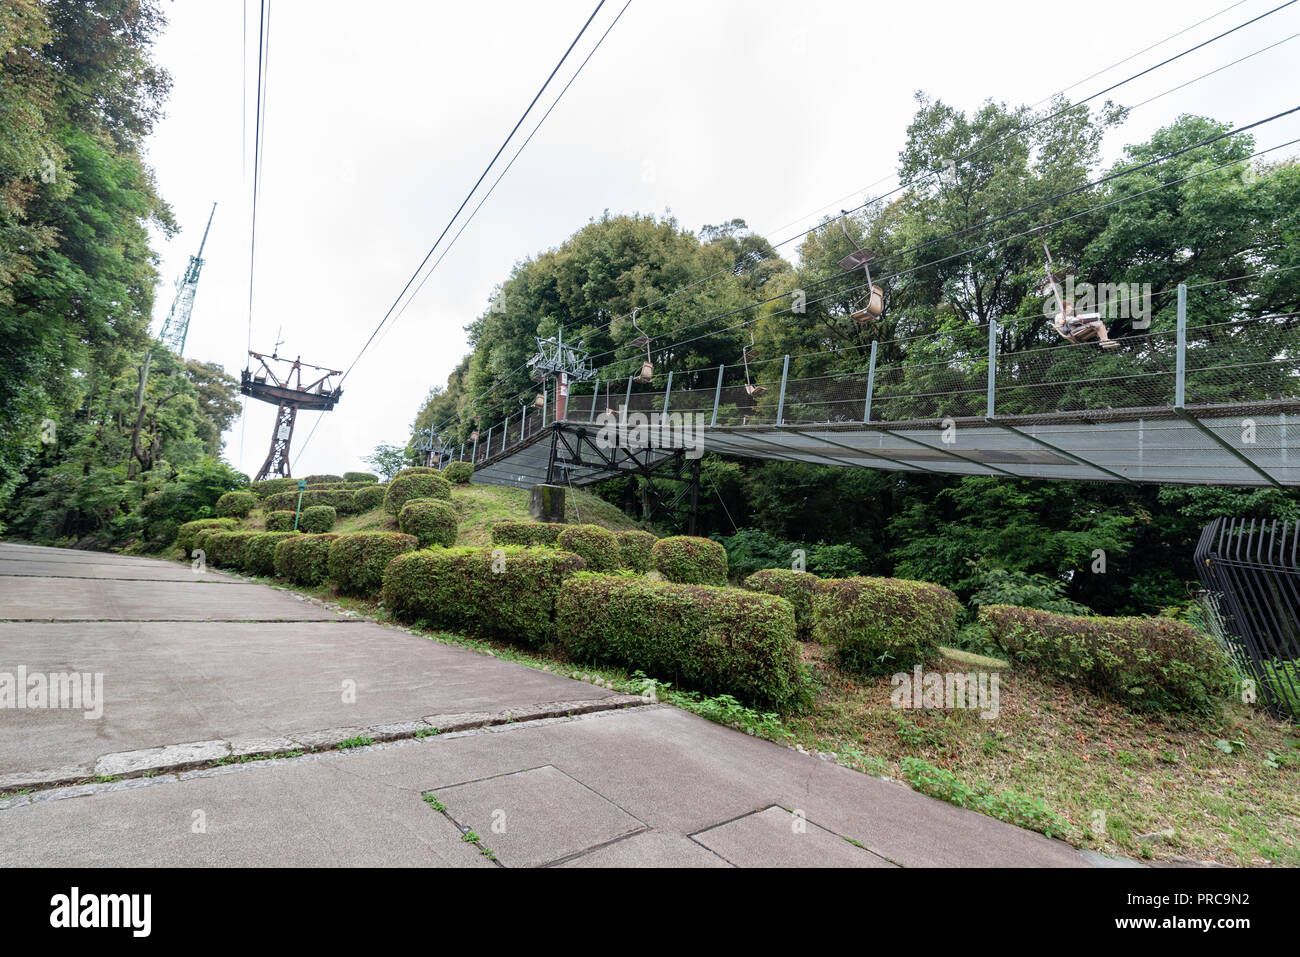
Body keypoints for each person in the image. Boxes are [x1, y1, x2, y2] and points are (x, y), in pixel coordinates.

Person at [1052, 300, 1120, 349]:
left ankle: (1105, 340)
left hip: (1076, 329)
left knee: (1100, 323)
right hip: (1071, 332)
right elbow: (1061, 322)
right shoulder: (1059, 315)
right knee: (1096, 324)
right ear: (1065, 307)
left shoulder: (1068, 316)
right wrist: (1073, 318)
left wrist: (1077, 318)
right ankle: (1104, 341)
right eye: (1070, 307)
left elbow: (1074, 321)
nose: (1072, 309)